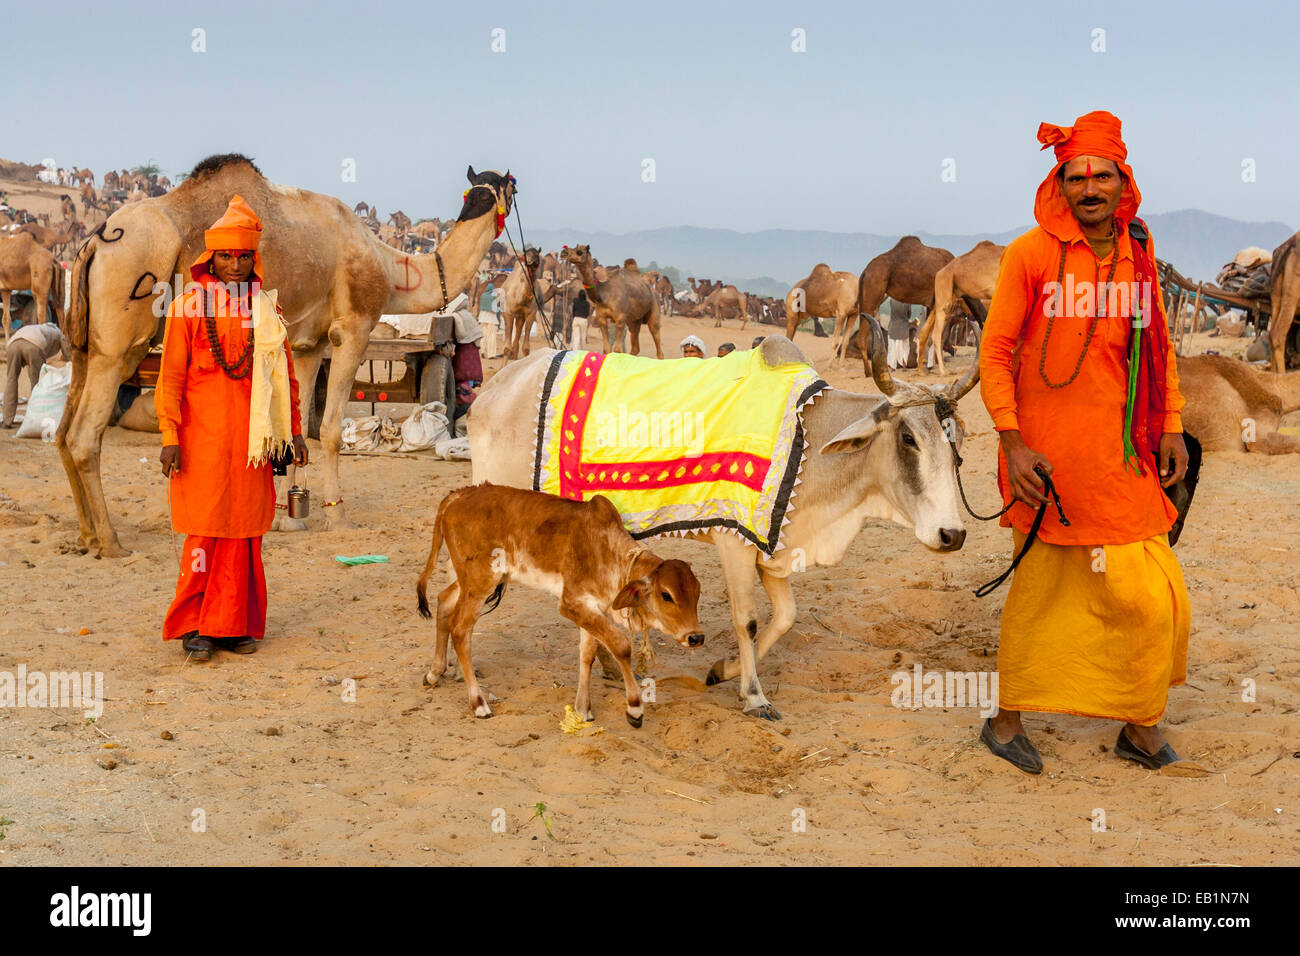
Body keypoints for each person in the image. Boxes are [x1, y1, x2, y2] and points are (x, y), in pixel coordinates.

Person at [979, 111, 1190, 774]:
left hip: (1122, 455)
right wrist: (1012, 445)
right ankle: (1006, 719)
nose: (1090, 187)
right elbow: (997, 350)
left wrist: (1173, 422)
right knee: (1042, 591)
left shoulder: (1138, 254)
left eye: (1102, 175)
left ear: (1122, 180)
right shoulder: (1030, 254)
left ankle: (1139, 721)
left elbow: (1157, 350)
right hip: (1045, 458)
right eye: (1077, 176)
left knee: (1147, 592)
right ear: (1059, 184)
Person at [155, 195, 306, 661]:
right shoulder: (185, 307)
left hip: (252, 446)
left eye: (244, 257)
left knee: (243, 533)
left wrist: (294, 432)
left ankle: (232, 624)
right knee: (204, 531)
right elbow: (172, 378)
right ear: (211, 258)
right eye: (226, 256)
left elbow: (285, 378)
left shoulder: (266, 310)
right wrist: (168, 437)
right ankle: (195, 627)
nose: (235, 265)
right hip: (200, 443)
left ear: (253, 259)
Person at [3, 321, 69, 428]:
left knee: (11, 380)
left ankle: (7, 420)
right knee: (37, 384)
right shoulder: (58, 333)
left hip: (12, 344)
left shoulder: (37, 328)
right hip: (34, 346)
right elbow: (68, 354)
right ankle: (35, 419)